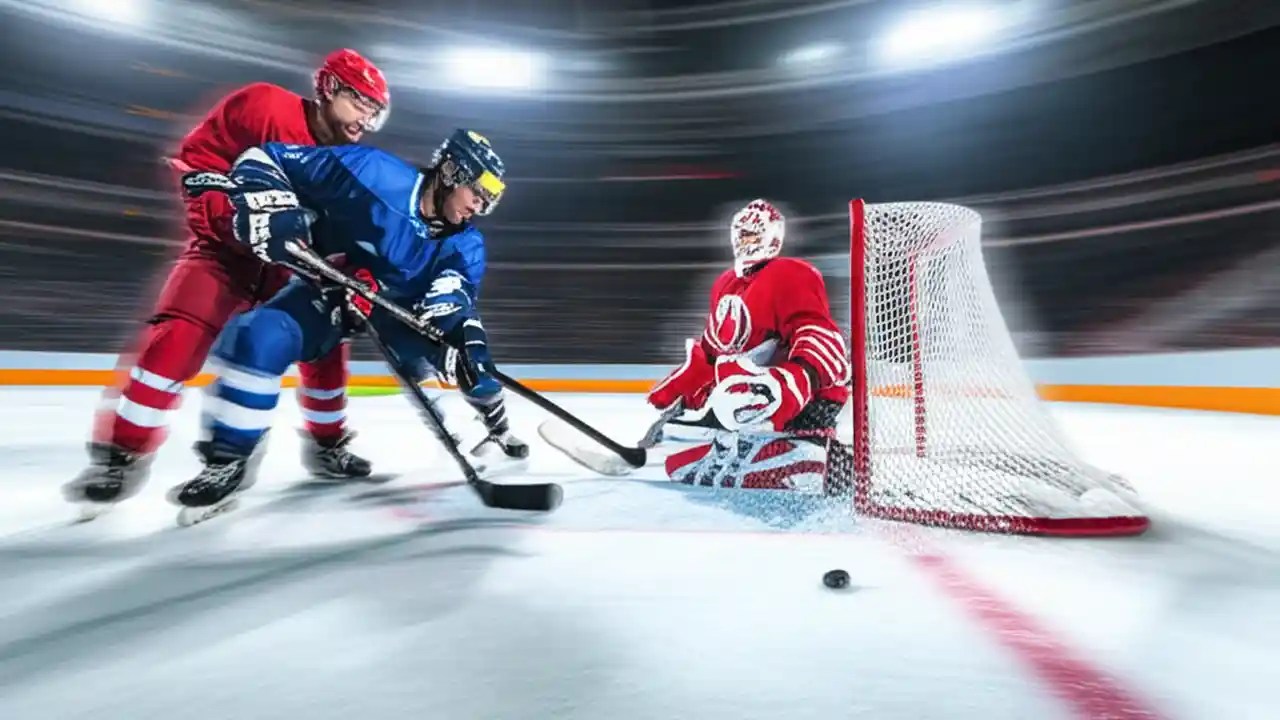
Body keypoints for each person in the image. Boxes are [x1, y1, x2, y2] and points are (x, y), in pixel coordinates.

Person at [65, 49, 391, 512]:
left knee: (327, 351)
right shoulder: (262, 106)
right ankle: (120, 454)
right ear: (330, 89)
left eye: (375, 110)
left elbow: (359, 236)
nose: (367, 117)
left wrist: (355, 278)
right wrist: (232, 223)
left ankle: (328, 443)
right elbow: (201, 163)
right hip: (224, 257)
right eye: (361, 102)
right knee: (174, 340)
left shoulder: (354, 166)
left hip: (291, 273)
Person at [168, 129, 526, 523]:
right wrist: (270, 205)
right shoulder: (370, 172)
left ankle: (498, 424)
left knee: (472, 353)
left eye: (490, 198)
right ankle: (227, 460)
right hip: (335, 291)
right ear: (453, 172)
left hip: (406, 315)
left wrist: (455, 335)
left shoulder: (466, 244)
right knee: (257, 336)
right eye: (478, 191)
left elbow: (450, 296)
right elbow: (267, 158)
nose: (481, 204)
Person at [646, 199, 853, 492]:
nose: (747, 242)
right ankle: (771, 453)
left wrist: (794, 380)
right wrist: (684, 385)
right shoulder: (725, 284)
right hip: (753, 414)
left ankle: (815, 458)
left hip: (803, 404)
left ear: (774, 237)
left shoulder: (790, 273)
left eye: (754, 236)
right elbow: (715, 349)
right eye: (742, 235)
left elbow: (818, 334)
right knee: (678, 466)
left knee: (788, 452)